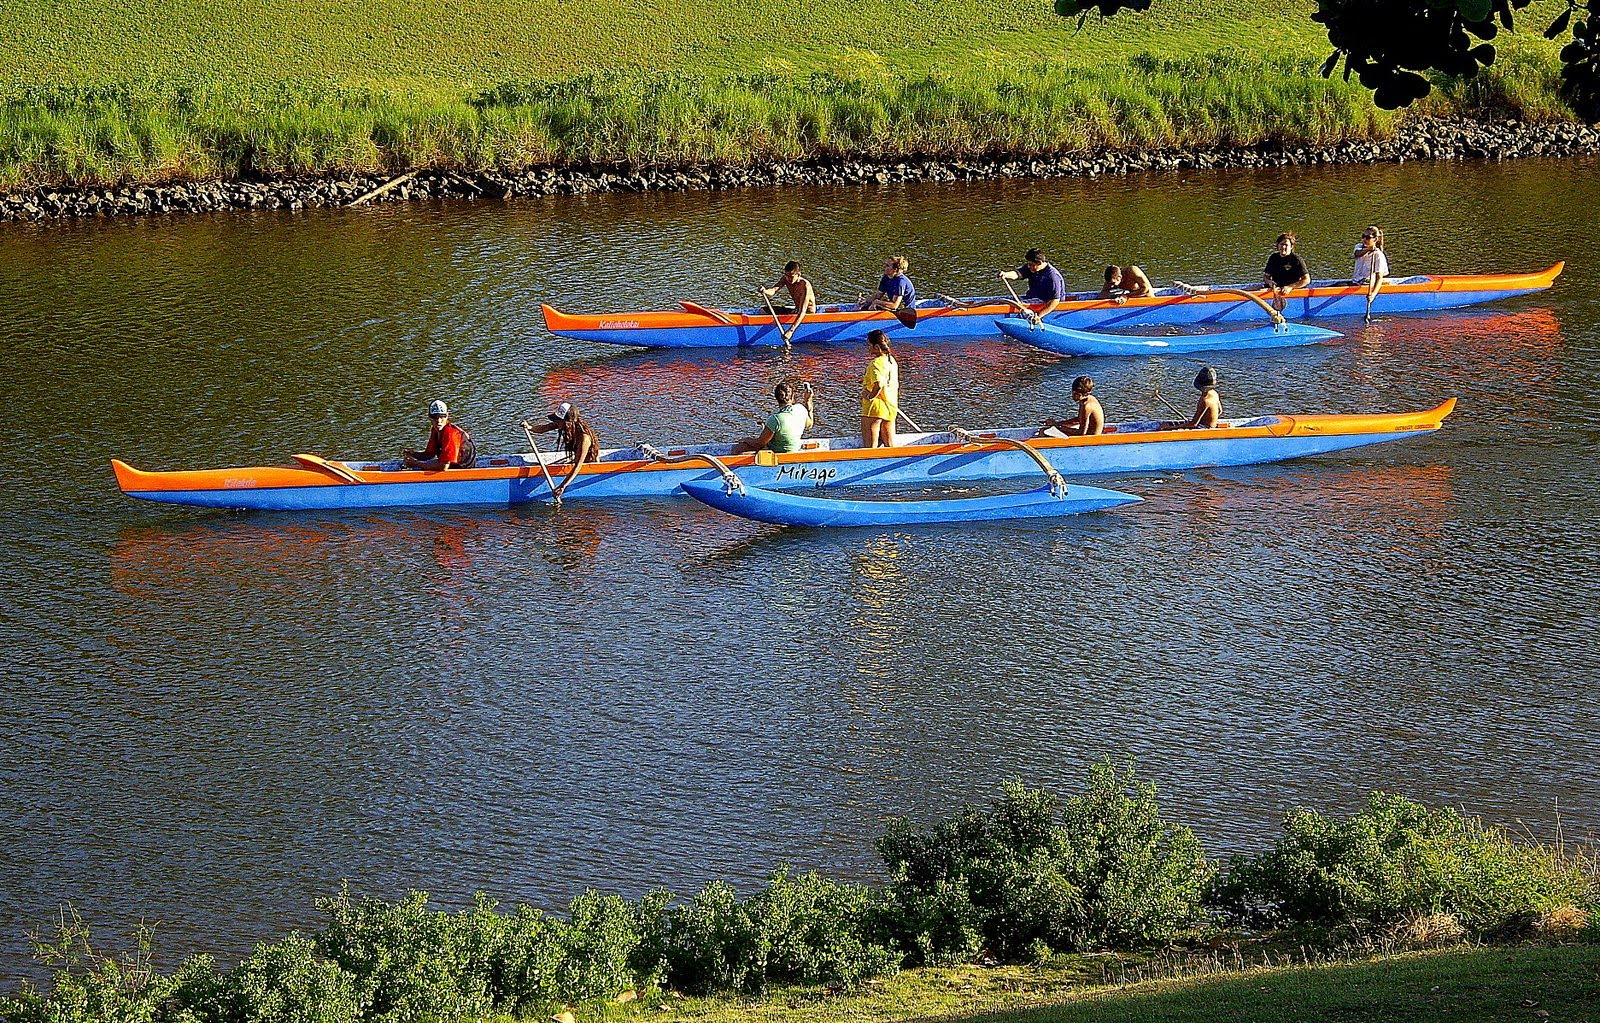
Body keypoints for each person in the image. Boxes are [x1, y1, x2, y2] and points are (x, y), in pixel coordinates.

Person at [524, 401, 600, 498]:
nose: (555, 422)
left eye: (558, 420)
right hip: (576, 463)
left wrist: (562, 486)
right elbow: (543, 428)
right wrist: (530, 427)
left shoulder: (584, 438)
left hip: (588, 466)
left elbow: (578, 466)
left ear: (567, 422)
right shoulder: (564, 424)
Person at [733, 380, 815, 454]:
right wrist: (808, 400)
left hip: (778, 454)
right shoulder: (801, 409)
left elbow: (760, 443)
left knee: (739, 448)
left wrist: (745, 440)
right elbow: (810, 424)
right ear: (793, 397)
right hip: (794, 451)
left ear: (776, 398)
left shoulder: (775, 419)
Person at [999, 248, 1067, 324]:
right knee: (1006, 300)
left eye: (1031, 264)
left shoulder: (1052, 276)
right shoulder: (1032, 268)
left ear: (1039, 262)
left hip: (1047, 303)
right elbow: (1018, 274)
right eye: (1028, 264)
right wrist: (1006, 274)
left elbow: (1055, 301)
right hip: (1033, 299)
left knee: (1015, 303)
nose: (1029, 266)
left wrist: (1038, 316)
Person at [401, 399, 474, 470]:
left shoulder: (451, 433)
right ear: (430, 417)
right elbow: (429, 454)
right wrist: (412, 454)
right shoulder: (435, 430)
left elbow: (443, 466)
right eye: (435, 417)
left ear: (447, 416)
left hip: (462, 471)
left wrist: (415, 464)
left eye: (442, 417)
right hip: (449, 466)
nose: (438, 421)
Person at [860, 329, 900, 448]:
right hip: (890, 406)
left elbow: (879, 384)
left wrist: (869, 396)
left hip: (874, 408)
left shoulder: (876, 363)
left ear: (877, 347)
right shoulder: (891, 361)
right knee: (890, 445)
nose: (868, 348)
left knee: (870, 448)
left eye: (869, 345)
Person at [759, 260, 817, 342]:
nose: (788, 278)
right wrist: (765, 291)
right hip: (796, 310)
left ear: (798, 274)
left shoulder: (805, 286)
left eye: (791, 276)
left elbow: (802, 311)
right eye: (786, 275)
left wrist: (791, 331)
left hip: (807, 314)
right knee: (763, 311)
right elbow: (774, 290)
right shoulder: (785, 279)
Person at [1039, 375, 1104, 437]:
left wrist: (1058, 426)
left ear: (1076, 393)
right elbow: (1080, 418)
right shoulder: (1088, 398)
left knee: (1043, 432)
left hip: (1090, 438)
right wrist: (1058, 423)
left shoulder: (1087, 406)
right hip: (1088, 434)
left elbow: (1081, 433)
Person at [1262, 232, 1311, 312]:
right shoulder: (1273, 258)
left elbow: (1306, 280)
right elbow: (1266, 276)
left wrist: (1290, 287)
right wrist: (1270, 282)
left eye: (1286, 245)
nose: (1283, 247)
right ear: (1278, 246)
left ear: (1291, 247)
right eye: (1281, 244)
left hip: (1292, 290)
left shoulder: (1296, 260)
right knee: (1255, 290)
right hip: (1276, 288)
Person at [1353, 225, 1389, 322]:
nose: (1364, 239)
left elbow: (1379, 278)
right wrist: (1369, 249)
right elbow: (1357, 254)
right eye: (1363, 236)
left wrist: (1373, 295)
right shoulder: (1358, 247)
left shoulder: (1378, 255)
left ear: (1375, 239)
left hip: (1367, 284)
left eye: (1368, 237)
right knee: (1336, 285)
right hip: (1356, 282)